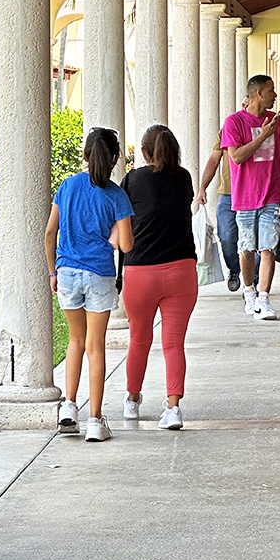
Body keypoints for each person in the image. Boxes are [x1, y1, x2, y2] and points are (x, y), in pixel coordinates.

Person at [45, 127, 134, 442]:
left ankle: (69, 407)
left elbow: (49, 233)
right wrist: (112, 233)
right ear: (114, 159)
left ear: (85, 155)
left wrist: (53, 273)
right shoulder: (116, 195)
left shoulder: (67, 187)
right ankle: (95, 421)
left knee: (75, 342)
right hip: (99, 274)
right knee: (96, 347)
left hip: (67, 272)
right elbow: (126, 245)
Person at [122, 125, 198, 430]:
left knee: (139, 339)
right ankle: (173, 408)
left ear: (143, 154)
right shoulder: (184, 178)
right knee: (173, 343)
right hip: (181, 271)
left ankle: (131, 400)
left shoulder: (133, 179)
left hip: (140, 271)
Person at [222, 74, 280, 320]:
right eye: (271, 90)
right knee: (247, 248)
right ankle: (249, 292)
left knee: (268, 247)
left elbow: (279, 156)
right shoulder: (234, 122)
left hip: (272, 193)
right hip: (246, 195)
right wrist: (262, 135)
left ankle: (264, 298)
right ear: (258, 94)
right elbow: (237, 157)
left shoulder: (276, 121)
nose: (275, 95)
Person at [198, 122, 260, 293]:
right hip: (228, 193)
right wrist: (203, 186)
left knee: (253, 240)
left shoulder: (261, 130)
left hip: (254, 194)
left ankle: (252, 281)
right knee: (225, 236)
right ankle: (234, 270)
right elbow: (213, 160)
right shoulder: (227, 130)